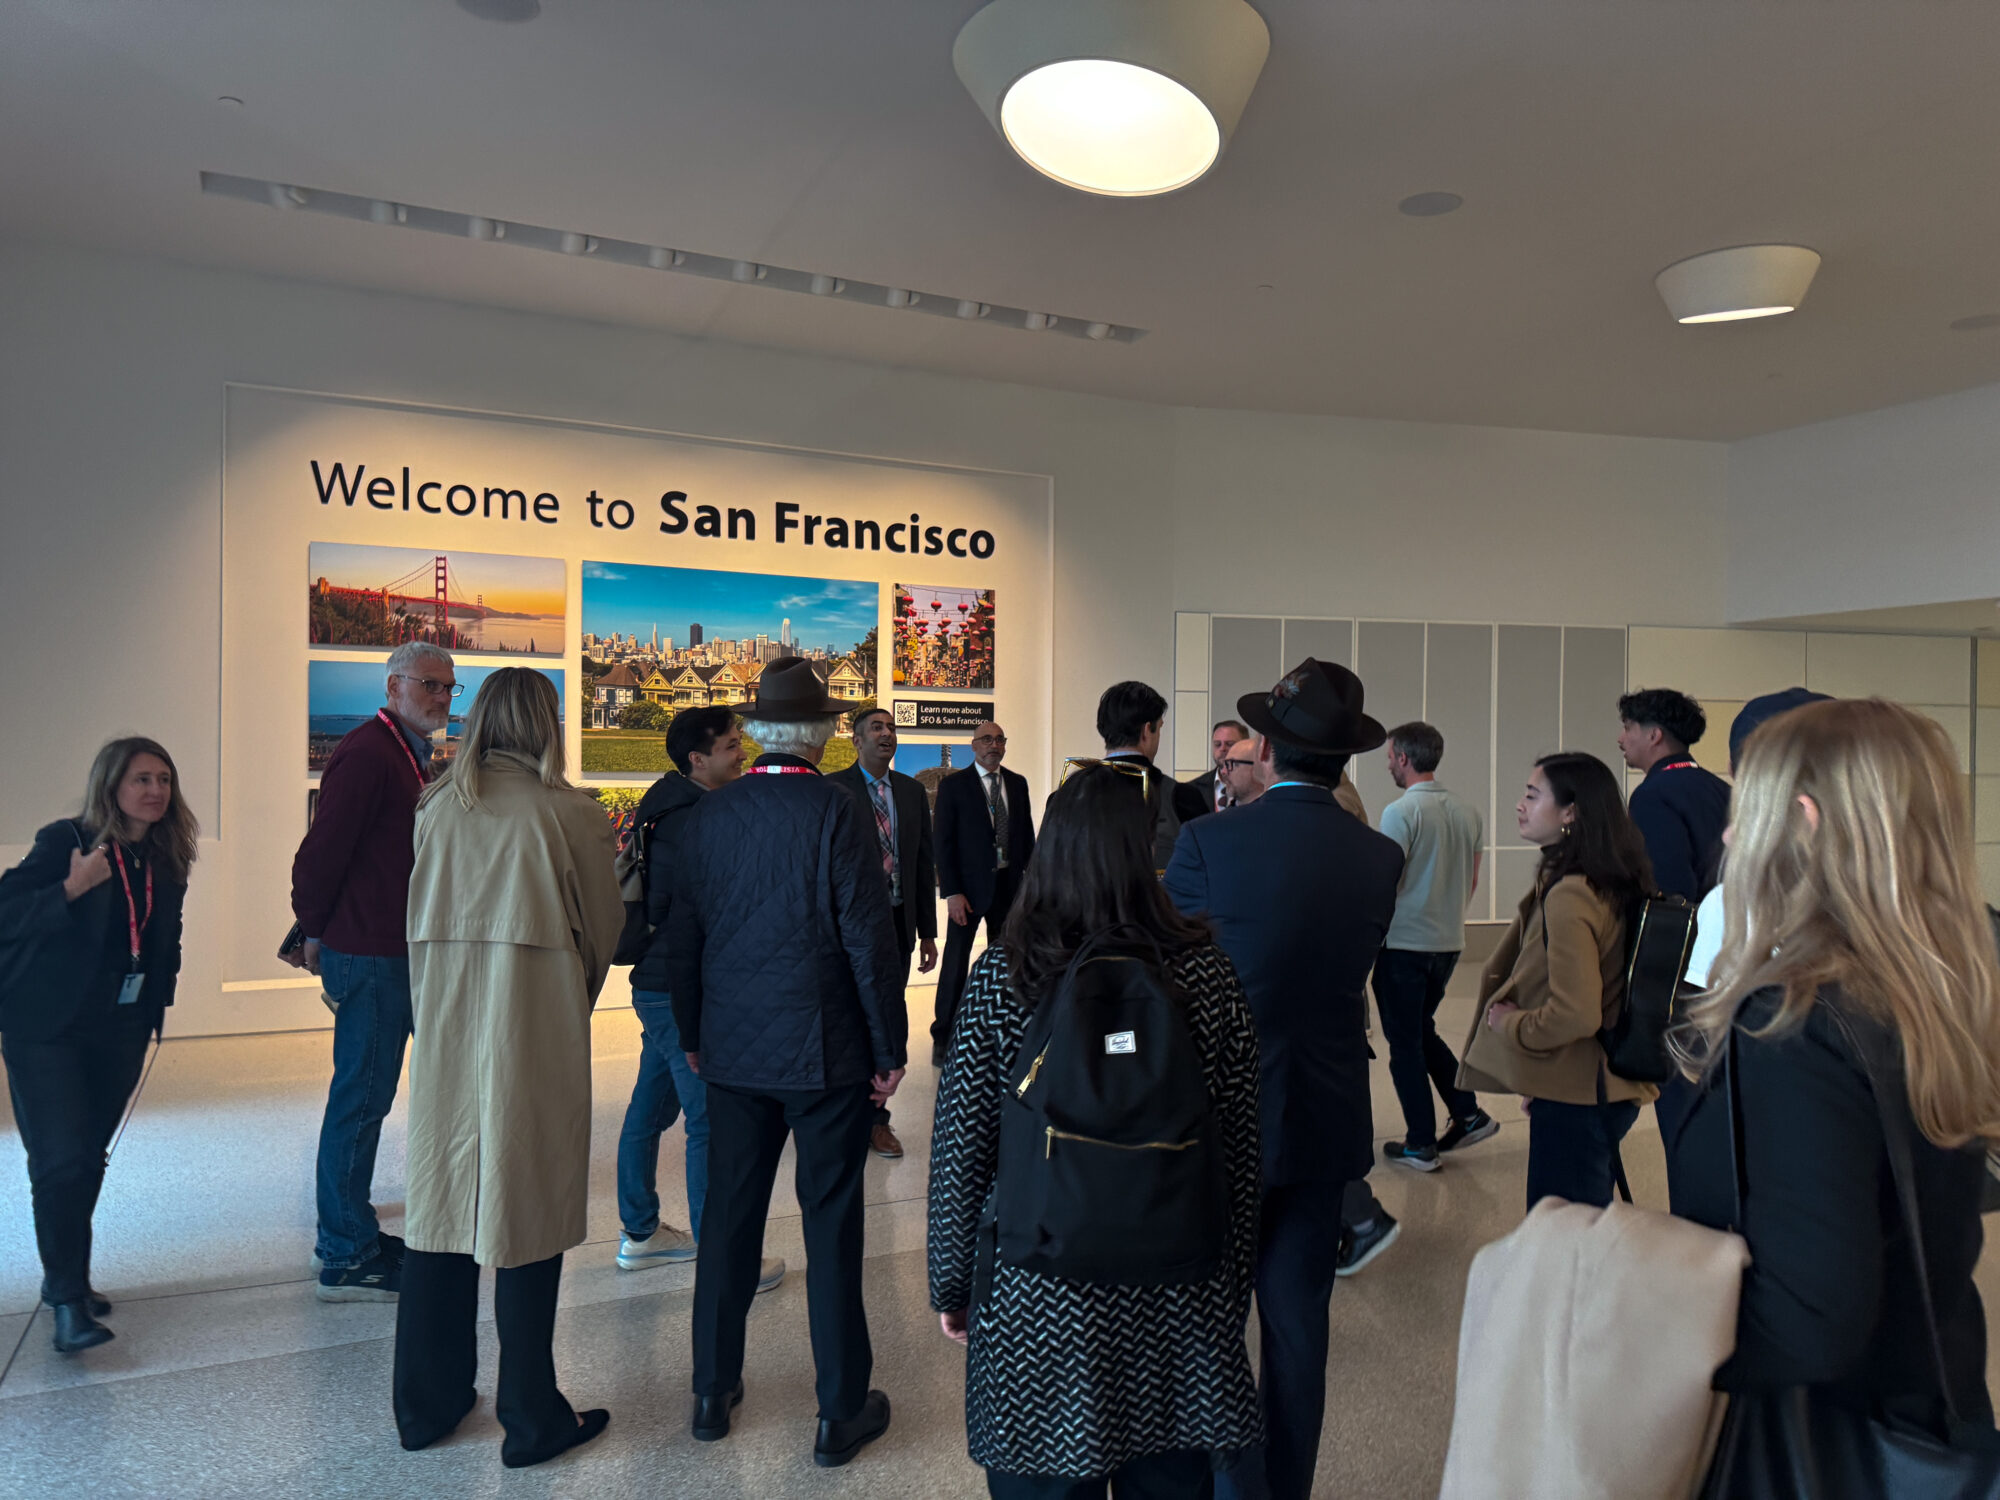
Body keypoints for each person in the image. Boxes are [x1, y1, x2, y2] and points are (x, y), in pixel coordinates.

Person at [1669, 699, 2000, 1458]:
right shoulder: (1942, 985)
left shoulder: (1793, 1022)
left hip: (1818, 1441)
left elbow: (1809, 1318)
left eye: (1743, 812)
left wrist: (1630, 1335)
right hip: (1927, 1386)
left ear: (1805, 820)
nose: (1726, 837)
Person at [930, 763, 1264, 1500]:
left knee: (1041, 1479)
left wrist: (952, 1282)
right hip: (1177, 1286)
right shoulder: (1204, 972)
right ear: (1147, 854)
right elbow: (1240, 1150)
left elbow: (962, 1151)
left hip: (1036, 1287)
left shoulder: (1005, 975)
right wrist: (1227, 1283)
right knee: (1171, 1479)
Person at [1164, 658, 1404, 1500]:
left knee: (1213, 1325)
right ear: (1349, 759)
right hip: (1325, 1109)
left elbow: (1173, 977)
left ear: (1264, 749)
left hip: (1218, 1115)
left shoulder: (1207, 842)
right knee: (1299, 1325)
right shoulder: (1379, 856)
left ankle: (1229, 1483)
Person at [667, 656, 906, 1467]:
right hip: (825, 1053)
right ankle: (840, 1409)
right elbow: (869, 944)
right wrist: (889, 1048)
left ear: (758, 732)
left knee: (729, 1223)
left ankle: (710, 1389)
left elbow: (685, 943)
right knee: (832, 1224)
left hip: (733, 1053)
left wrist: (694, 1034)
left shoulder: (711, 815)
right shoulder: (838, 813)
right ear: (825, 732)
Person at [392, 667, 624, 1467]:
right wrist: (567, 989)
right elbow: (603, 933)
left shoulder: (436, 810)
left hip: (448, 1024)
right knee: (528, 1208)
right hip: (534, 1022)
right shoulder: (571, 815)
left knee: (441, 1202)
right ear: (548, 724)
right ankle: (531, 1416)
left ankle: (427, 1402)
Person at [0, 737, 196, 1353]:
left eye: (163, 779)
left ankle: (71, 1277)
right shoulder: (67, 842)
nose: (155, 791)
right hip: (48, 1029)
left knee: (87, 1155)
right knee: (60, 1159)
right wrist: (71, 889)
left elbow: (167, 937)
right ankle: (65, 1301)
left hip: (122, 1027)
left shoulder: (165, 856)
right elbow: (8, 915)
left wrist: (157, 1000)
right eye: (141, 779)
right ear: (110, 785)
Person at [287, 640, 455, 1301]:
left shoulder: (405, 754)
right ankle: (343, 1251)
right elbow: (320, 853)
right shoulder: (368, 753)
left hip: (393, 950)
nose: (441, 697)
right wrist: (314, 928)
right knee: (359, 1101)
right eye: (429, 685)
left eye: (449, 687)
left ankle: (350, 1229)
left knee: (367, 1098)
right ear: (393, 686)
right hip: (373, 954)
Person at [615, 706, 785, 1295]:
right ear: (698, 758)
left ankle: (640, 1232)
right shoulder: (692, 818)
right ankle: (725, 1257)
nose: (744, 753)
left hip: (656, 984)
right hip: (675, 991)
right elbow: (693, 913)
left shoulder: (665, 801)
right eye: (733, 745)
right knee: (707, 1120)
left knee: (650, 1108)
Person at [1460, 752, 1656, 1211]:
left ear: (1571, 811)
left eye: (1532, 794)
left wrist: (1508, 1024)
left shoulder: (1570, 893)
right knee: (1582, 1225)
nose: (1520, 806)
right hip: (1594, 1086)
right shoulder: (1609, 881)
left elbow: (1576, 1013)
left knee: (1561, 1238)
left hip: (1584, 1096)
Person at [1374, 721, 1495, 1171]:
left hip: (1404, 945)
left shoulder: (1399, 813)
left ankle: (1420, 1144)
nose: (1388, 762)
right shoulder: (1468, 812)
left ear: (1404, 758)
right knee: (1421, 1030)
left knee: (1404, 1044)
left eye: (1389, 756)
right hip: (1449, 943)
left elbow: (1385, 882)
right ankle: (1468, 1113)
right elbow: (1473, 879)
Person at [828, 706, 939, 1160]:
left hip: (897, 922)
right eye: (877, 728)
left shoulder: (912, 792)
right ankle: (842, 1112)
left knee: (886, 1021)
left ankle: (877, 1120)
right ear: (855, 739)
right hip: (847, 926)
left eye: (892, 728)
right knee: (848, 1018)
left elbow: (921, 863)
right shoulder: (834, 788)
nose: (887, 734)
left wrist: (929, 933)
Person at [932, 720, 1036, 1066]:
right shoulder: (954, 786)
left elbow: (1027, 840)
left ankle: (1000, 1027)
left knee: (1007, 961)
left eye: (999, 740)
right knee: (956, 962)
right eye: (986, 740)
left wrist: (1030, 887)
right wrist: (952, 893)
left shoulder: (1017, 784)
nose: (994, 745)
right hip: (969, 891)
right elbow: (943, 844)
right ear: (973, 746)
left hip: (1010, 889)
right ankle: (943, 1034)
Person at [1617, 687, 1731, 903]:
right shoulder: (1723, 789)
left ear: (1654, 735)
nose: (1620, 738)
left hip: (1687, 932)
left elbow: (1670, 887)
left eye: (1628, 727)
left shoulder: (1651, 796)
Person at [1098, 680, 1210, 872]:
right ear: (1146, 731)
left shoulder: (1065, 796)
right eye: (1159, 728)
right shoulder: (1182, 799)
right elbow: (1207, 871)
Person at [1185, 718, 1251, 815]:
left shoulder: (1259, 787)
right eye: (1217, 744)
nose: (1222, 749)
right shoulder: (1191, 790)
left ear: (1245, 745)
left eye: (1229, 744)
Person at [1217, 736, 1265, 808]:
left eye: (1231, 764)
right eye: (1225, 764)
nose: (1223, 772)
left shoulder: (1280, 814)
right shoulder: (1222, 818)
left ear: (1257, 768)